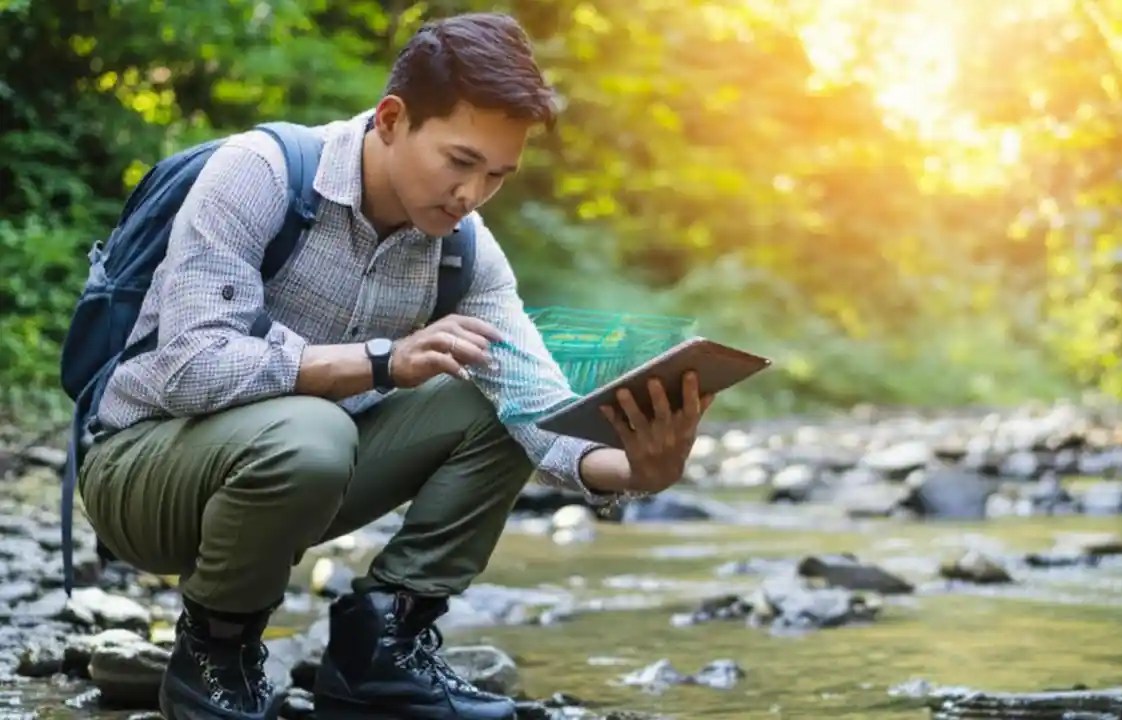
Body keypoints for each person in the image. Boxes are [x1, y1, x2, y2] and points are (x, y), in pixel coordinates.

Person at [75, 11, 713, 720]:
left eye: (497, 175)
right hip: (142, 473)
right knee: (313, 433)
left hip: (295, 481)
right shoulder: (257, 174)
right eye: (460, 161)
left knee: (488, 400)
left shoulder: (466, 250)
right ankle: (214, 651)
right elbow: (190, 365)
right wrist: (379, 362)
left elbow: (535, 406)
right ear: (390, 117)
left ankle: (382, 649)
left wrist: (632, 472)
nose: (472, 195)